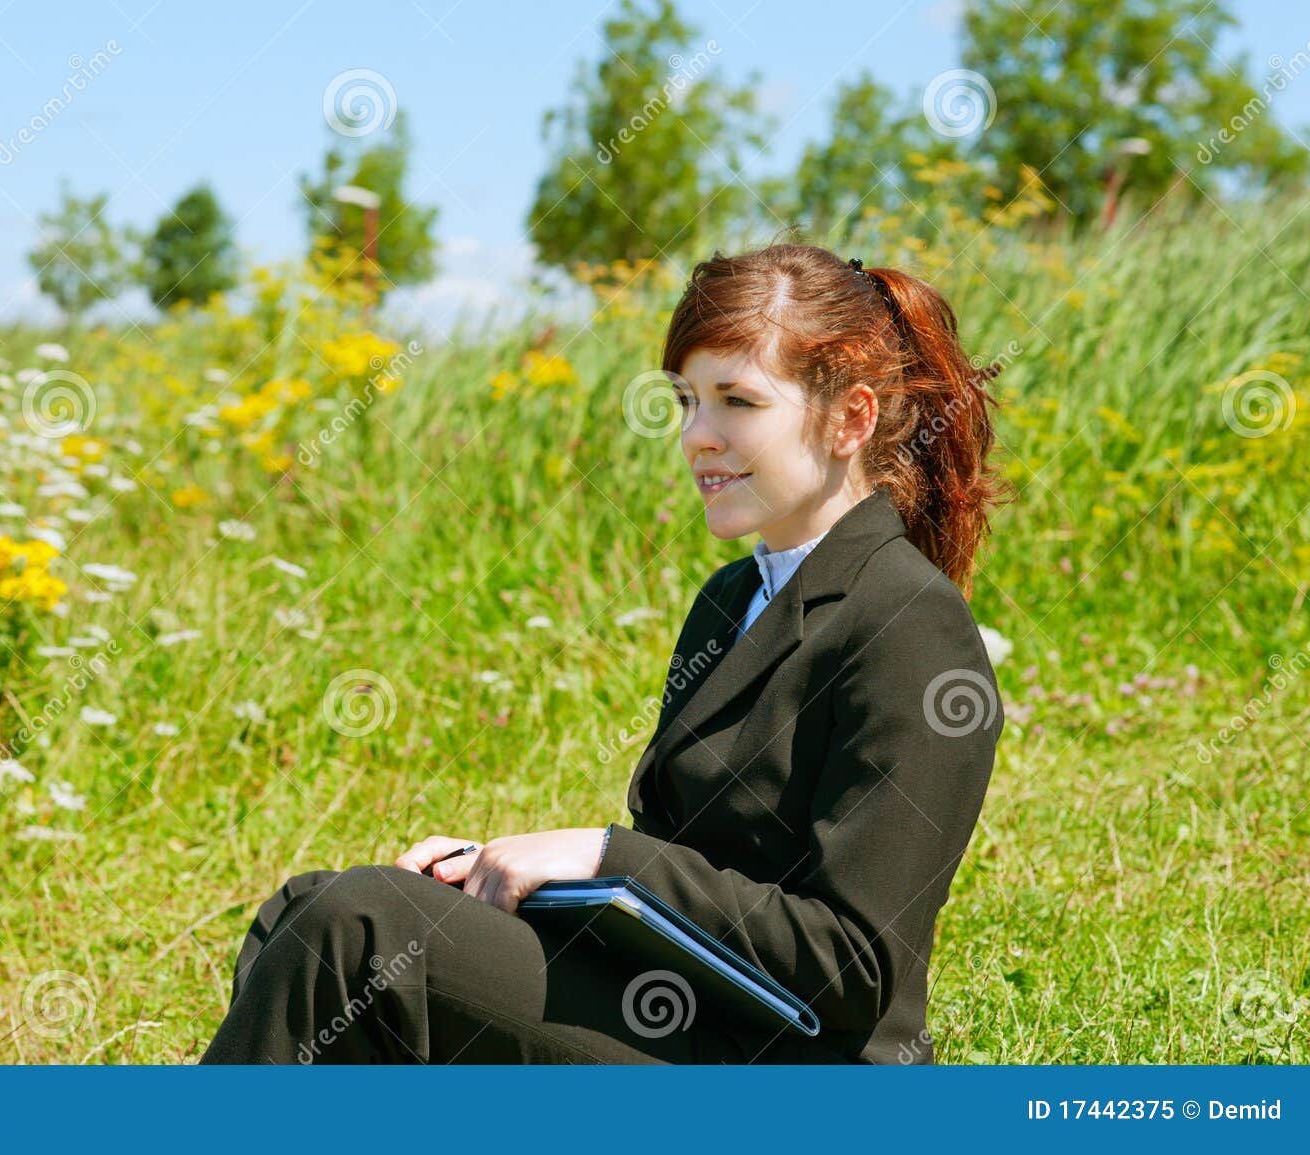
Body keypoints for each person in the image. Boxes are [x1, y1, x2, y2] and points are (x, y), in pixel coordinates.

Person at [198, 242, 1011, 1065]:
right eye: (687, 401)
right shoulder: (731, 601)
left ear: (851, 418)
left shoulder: (909, 625)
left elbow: (851, 966)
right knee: (308, 909)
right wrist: (506, 879)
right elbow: (679, 884)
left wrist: (604, 855)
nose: (698, 436)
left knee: (360, 927)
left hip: (789, 1069)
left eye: (737, 400)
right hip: (678, 1014)